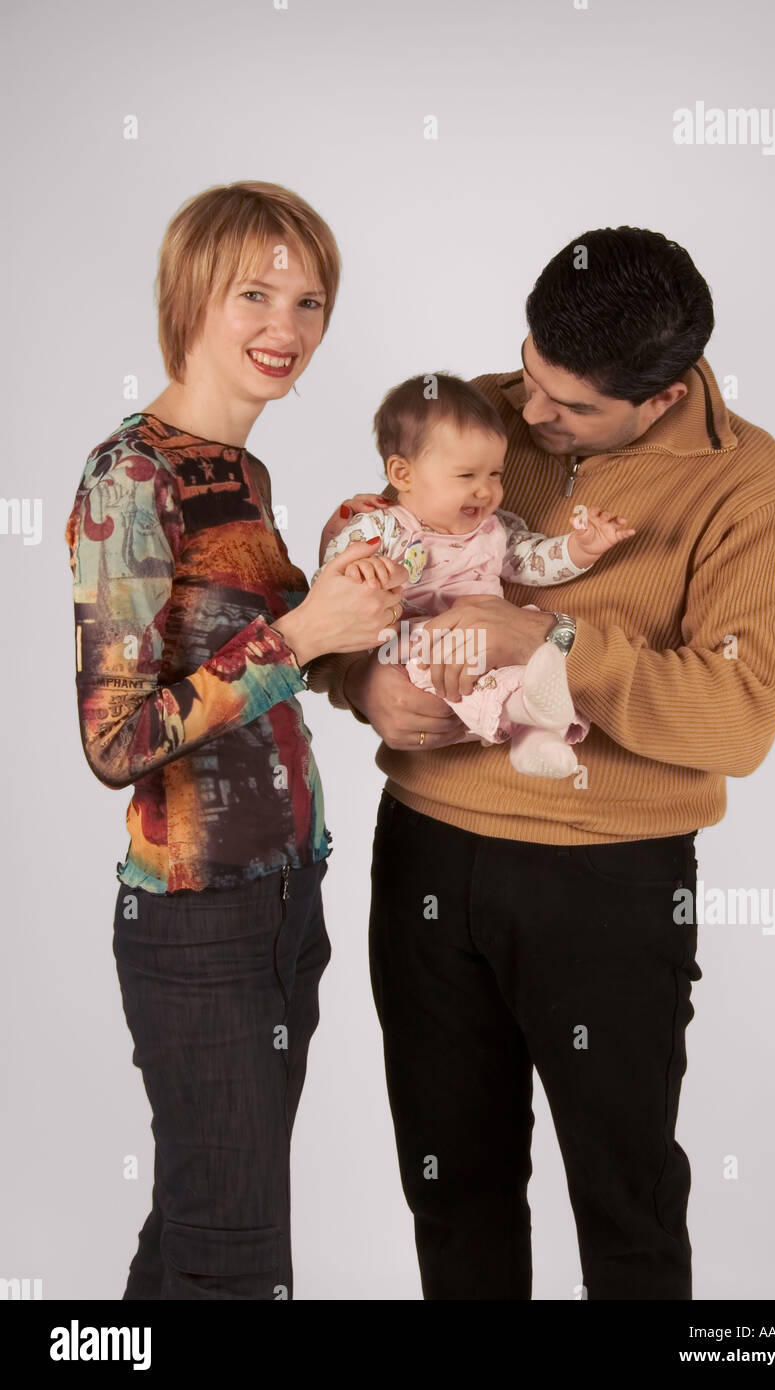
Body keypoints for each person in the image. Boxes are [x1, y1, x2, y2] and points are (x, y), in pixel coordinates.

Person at [308, 226, 775, 1300]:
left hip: (609, 882)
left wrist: (551, 647)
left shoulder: (751, 487)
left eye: (569, 408)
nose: (529, 417)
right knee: (452, 1191)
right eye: (531, 374)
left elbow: (738, 721)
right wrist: (362, 687)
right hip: (430, 860)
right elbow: (366, 592)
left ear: (663, 395)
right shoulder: (468, 418)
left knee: (625, 1206)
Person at [64, 180, 406, 1300]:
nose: (286, 327)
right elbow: (117, 738)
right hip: (195, 917)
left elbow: (270, 663)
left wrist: (353, 626)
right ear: (190, 295)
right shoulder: (134, 476)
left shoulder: (242, 473)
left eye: (310, 301)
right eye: (253, 293)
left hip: (283, 900)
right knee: (239, 1260)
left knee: (199, 1229)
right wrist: (299, 629)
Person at [314, 371, 636, 777]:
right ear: (402, 475)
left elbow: (531, 560)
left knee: (528, 670)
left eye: (495, 474)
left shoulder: (495, 528)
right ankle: (525, 721)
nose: (485, 491)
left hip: (488, 646)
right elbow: (329, 583)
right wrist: (361, 570)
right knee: (464, 676)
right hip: (420, 646)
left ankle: (533, 740)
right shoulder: (382, 528)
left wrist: (581, 547)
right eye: (467, 476)